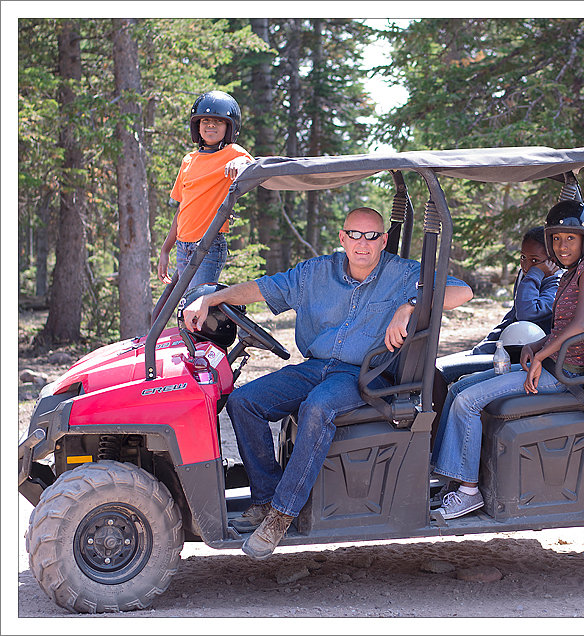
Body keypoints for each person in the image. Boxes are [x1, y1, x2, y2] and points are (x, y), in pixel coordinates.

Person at [182, 207, 472, 559]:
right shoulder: (316, 273)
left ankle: (281, 515)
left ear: (383, 240)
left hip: (362, 374)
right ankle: (265, 498)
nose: (362, 243)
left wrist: (410, 305)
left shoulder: (403, 273)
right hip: (317, 366)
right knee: (244, 401)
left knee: (317, 407)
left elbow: (462, 292)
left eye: (371, 236)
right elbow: (263, 288)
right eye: (355, 235)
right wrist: (213, 298)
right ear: (342, 238)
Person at [429, 200, 584, 520]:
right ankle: (451, 478)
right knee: (458, 389)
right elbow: (560, 326)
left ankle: (469, 492)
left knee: (468, 402)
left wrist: (541, 355)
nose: (562, 246)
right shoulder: (571, 273)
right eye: (557, 239)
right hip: (550, 363)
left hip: (563, 373)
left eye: (571, 238)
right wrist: (536, 344)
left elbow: (581, 325)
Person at [435, 225, 562, 383]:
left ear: (552, 262)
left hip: (520, 357)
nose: (526, 266)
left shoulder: (556, 285)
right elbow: (510, 320)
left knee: (439, 371)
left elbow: (527, 314)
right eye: (523, 257)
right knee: (434, 367)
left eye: (535, 261)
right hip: (503, 349)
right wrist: (481, 349)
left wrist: (535, 273)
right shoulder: (529, 278)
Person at [157, 90, 253, 291]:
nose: (211, 125)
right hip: (182, 246)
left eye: (218, 121)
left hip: (208, 244)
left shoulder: (232, 153)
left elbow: (251, 164)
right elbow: (182, 210)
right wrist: (166, 250)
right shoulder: (188, 160)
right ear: (197, 126)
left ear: (230, 127)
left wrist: (239, 162)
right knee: (186, 303)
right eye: (205, 120)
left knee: (198, 302)